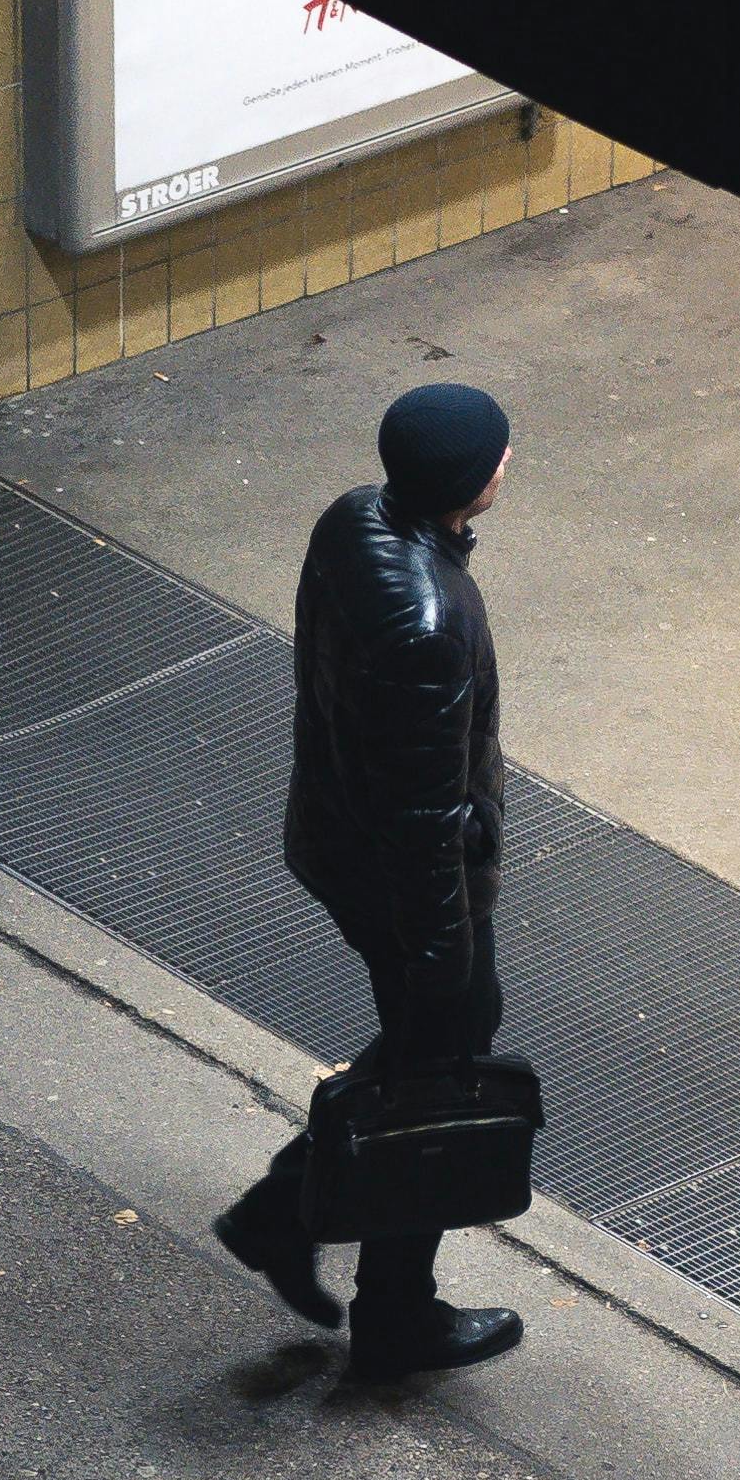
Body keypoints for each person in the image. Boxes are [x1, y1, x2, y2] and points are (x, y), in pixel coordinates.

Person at [214, 379, 524, 1382]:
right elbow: (423, 817)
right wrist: (441, 953)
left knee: (431, 1051)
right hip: (400, 885)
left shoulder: (356, 517)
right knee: (438, 1067)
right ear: (469, 482)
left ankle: (284, 1219)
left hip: (336, 835)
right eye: (498, 454)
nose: (507, 463)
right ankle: (394, 1315)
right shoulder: (427, 622)